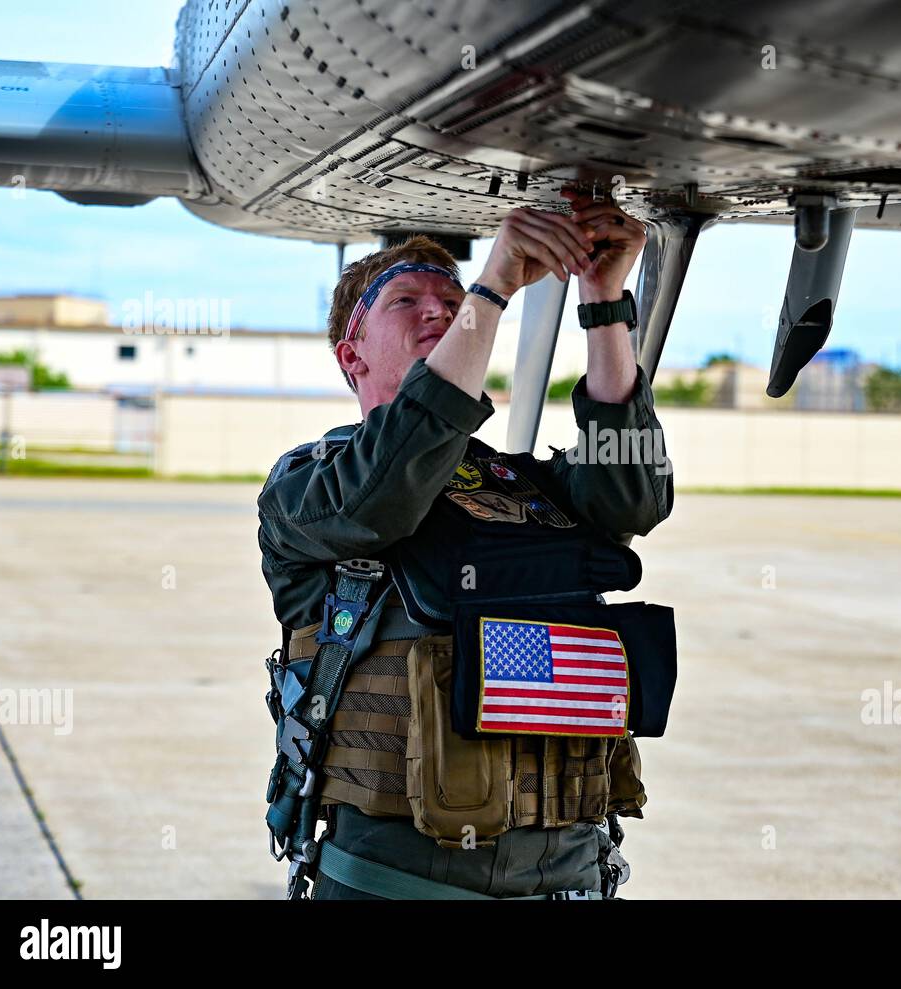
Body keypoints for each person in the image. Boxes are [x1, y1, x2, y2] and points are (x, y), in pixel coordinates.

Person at [256, 190, 675, 899]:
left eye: (453, 301)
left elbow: (633, 493)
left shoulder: (527, 484)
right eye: (406, 300)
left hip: (570, 877)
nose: (439, 309)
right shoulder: (308, 486)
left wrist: (605, 304)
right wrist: (494, 284)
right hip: (392, 885)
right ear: (350, 354)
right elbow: (386, 488)